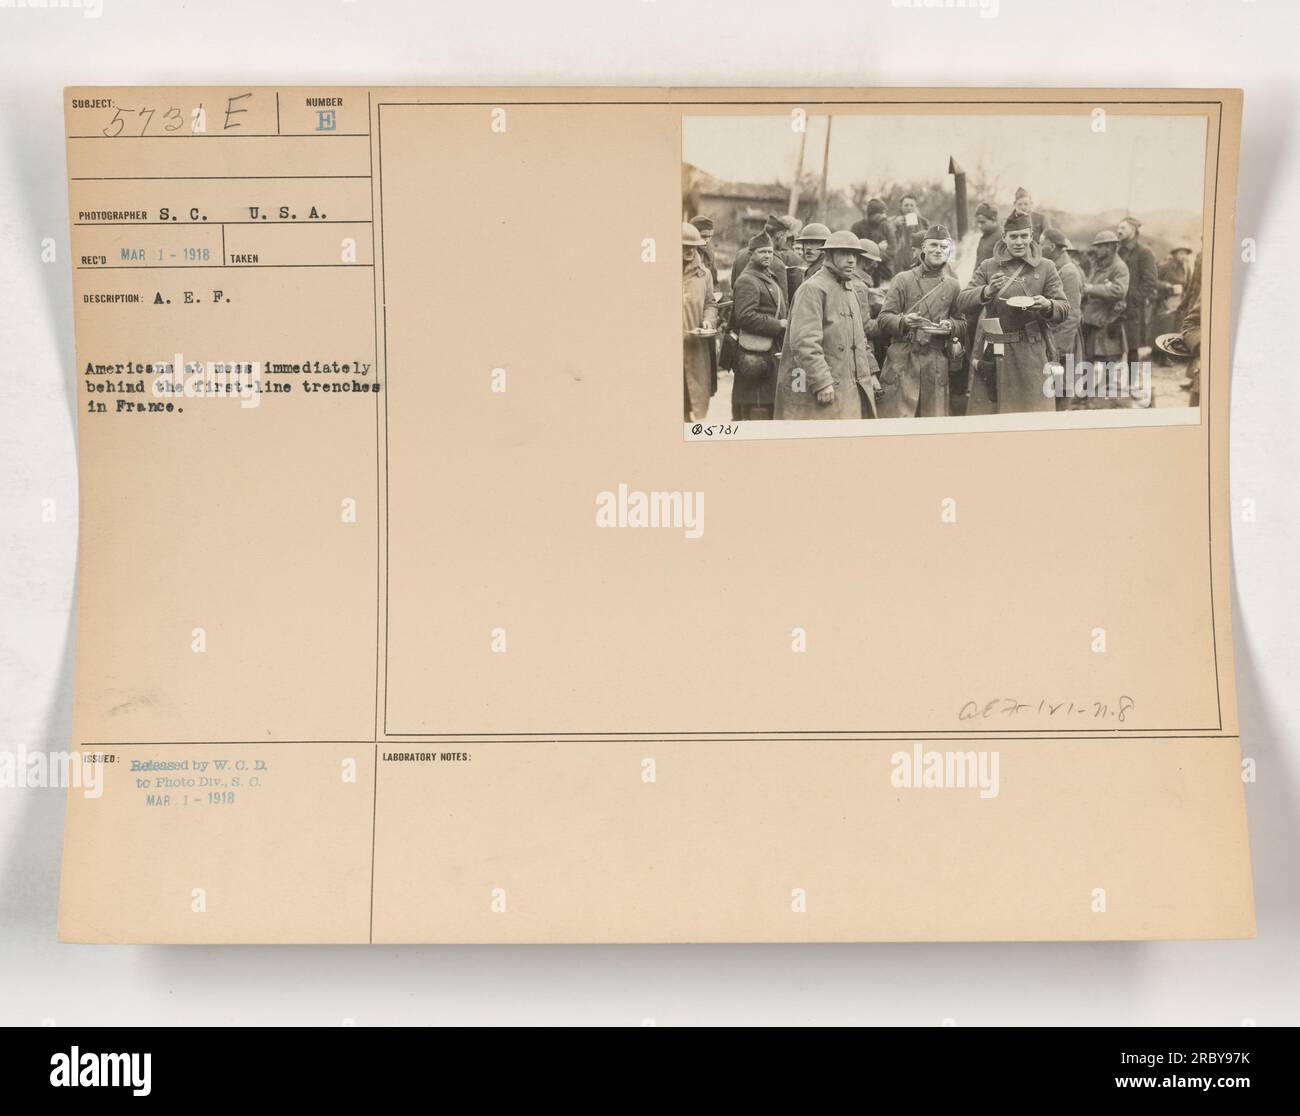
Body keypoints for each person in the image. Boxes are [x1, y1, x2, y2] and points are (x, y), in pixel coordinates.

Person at [955, 211, 1068, 415]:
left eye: (1024, 236)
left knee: (1033, 417)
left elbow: (1063, 308)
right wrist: (986, 291)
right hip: (995, 353)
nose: (1019, 242)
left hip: (1031, 354)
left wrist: (1047, 304)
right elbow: (962, 301)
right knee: (991, 419)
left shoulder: (1046, 267)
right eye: (1013, 236)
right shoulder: (988, 266)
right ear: (1004, 237)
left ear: (1031, 236)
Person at [775, 230, 878, 420]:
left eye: (854, 255)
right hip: (824, 392)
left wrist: (870, 372)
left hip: (850, 389)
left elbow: (860, 338)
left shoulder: (850, 289)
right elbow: (804, 342)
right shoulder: (812, 289)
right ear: (829, 255)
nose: (851, 261)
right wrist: (822, 381)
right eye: (844, 254)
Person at [876, 224, 963, 418]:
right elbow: (883, 319)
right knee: (897, 427)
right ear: (923, 247)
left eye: (943, 246)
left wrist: (951, 326)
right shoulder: (903, 279)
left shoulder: (953, 285)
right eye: (933, 245)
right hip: (903, 360)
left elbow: (962, 323)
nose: (938, 250)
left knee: (933, 429)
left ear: (949, 250)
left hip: (935, 363)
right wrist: (904, 321)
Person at [730, 233, 788, 421]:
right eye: (762, 252)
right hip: (755, 353)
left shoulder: (766, 277)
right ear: (751, 254)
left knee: (766, 404)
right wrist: (778, 324)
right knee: (756, 407)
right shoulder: (747, 280)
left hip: (768, 351)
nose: (767, 256)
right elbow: (745, 317)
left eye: (770, 252)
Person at [1079, 230, 1130, 403]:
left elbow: (1119, 290)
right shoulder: (1100, 264)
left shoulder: (1119, 266)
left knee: (1109, 360)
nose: (1097, 250)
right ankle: (1087, 397)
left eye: (1100, 246)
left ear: (1110, 247)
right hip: (1093, 319)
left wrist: (1092, 289)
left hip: (1108, 320)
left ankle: (1106, 399)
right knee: (1089, 359)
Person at [1040, 228, 1084, 400]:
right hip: (1056, 338)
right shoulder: (1057, 268)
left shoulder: (1068, 272)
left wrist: (1059, 350)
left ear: (1051, 246)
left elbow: (1072, 315)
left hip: (1064, 340)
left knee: (1062, 389)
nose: (1038, 247)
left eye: (1041, 243)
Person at [682, 222, 719, 421]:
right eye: (684, 246)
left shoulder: (704, 275)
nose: (689, 251)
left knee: (692, 398)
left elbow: (711, 303)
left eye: (693, 246)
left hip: (695, 347)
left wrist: (708, 321)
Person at [1116, 216, 1158, 368]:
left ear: (1133, 231)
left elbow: (1150, 281)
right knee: (1113, 345)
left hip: (1133, 308)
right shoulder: (1117, 251)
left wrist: (1134, 299)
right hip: (1115, 304)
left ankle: (1132, 384)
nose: (1118, 231)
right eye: (1118, 228)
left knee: (1132, 347)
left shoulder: (1144, 252)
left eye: (1123, 228)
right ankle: (1109, 382)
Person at [1151, 244, 1195, 351]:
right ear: (1174, 254)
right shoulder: (1165, 266)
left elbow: (1189, 284)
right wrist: (1167, 286)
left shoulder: (1186, 268)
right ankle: (1158, 353)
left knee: (1176, 327)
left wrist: (1186, 296)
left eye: (1185, 254)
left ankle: (1171, 354)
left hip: (1179, 302)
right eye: (1181, 253)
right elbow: (1153, 280)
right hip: (1164, 300)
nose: (1183, 256)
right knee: (1164, 327)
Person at [851, 198, 896, 282]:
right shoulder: (857, 227)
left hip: (883, 271)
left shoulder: (886, 227)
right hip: (861, 269)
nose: (884, 217)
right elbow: (853, 249)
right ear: (871, 214)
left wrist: (876, 257)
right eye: (880, 214)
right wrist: (877, 248)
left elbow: (892, 250)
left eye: (884, 214)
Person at [688, 215, 717, 282]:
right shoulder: (682, 252)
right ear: (692, 234)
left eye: (710, 237)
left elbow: (714, 281)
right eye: (704, 236)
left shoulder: (709, 252)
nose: (707, 241)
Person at [973, 202, 1000, 268]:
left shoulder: (1002, 237)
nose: (979, 226)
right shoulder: (986, 235)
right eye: (978, 222)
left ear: (993, 220)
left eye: (982, 222)